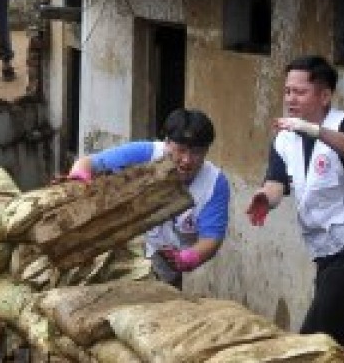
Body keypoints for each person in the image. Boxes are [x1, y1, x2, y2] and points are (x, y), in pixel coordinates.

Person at [246, 55, 344, 346]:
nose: (291, 98)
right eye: (287, 91)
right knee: (333, 338)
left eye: (300, 92)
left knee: (314, 339)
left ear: (325, 95)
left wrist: (314, 130)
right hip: (326, 250)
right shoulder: (284, 137)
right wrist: (265, 197)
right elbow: (277, 182)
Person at [67, 109, 229, 288]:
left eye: (196, 152)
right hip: (119, 254)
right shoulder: (146, 153)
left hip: (163, 271)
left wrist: (188, 259)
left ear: (206, 151)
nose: (187, 160)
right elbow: (87, 163)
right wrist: (78, 180)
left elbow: (212, 238)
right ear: (167, 143)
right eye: (181, 150)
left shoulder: (215, 184)